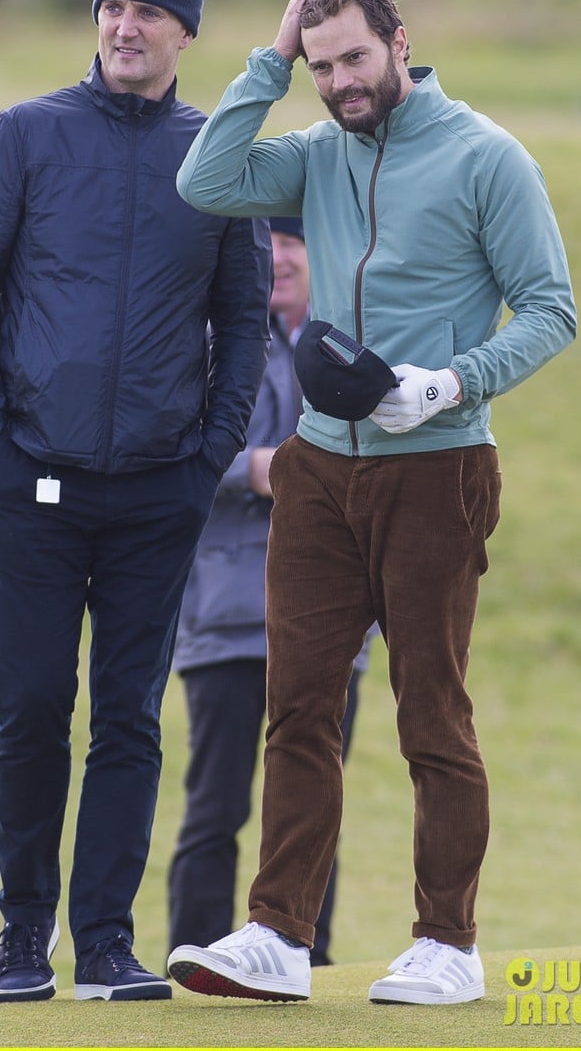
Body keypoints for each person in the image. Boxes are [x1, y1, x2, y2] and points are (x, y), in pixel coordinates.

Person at [167, 0, 576, 1005]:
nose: (340, 81)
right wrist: (266, 59)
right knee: (296, 706)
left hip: (438, 469)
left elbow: (549, 308)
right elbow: (204, 180)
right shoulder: (312, 152)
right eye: (319, 65)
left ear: (399, 41)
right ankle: (279, 935)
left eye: (353, 56)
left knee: (429, 711)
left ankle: (449, 940)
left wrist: (452, 381)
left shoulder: (488, 157)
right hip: (315, 470)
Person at [0, 0, 272, 1004]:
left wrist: (207, 451)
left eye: (151, 11)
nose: (128, 26)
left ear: (185, 33)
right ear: (97, 18)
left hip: (156, 493)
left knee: (125, 718)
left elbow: (247, 312)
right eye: (115, 7)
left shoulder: (218, 157)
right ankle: (22, 937)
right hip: (31, 481)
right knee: (30, 704)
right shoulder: (23, 133)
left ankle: (108, 945)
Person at [166, 217, 371, 970]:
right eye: (267, 244)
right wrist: (256, 469)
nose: (280, 257)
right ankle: (190, 957)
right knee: (214, 806)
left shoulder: (353, 346)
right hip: (226, 614)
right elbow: (176, 453)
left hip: (330, 622)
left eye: (293, 242)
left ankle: (304, 959)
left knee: (314, 805)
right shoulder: (207, 340)